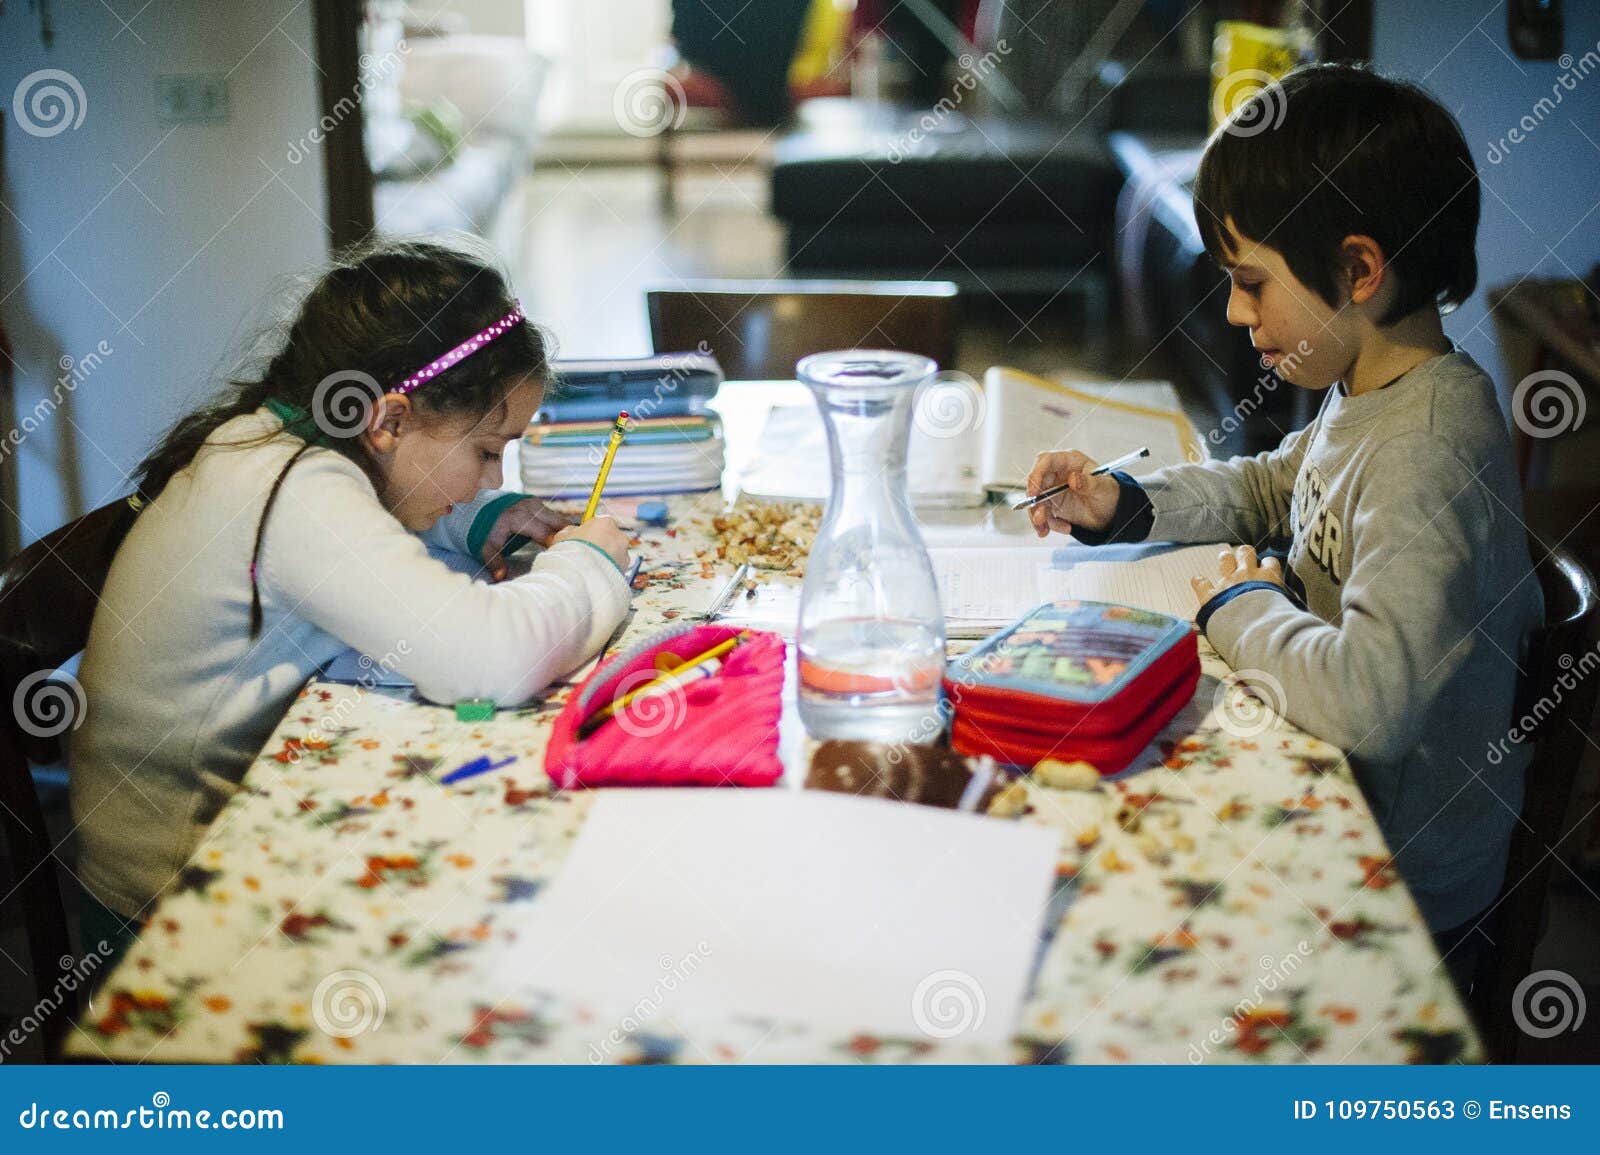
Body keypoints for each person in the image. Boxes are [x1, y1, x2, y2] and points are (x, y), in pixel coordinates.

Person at [1024, 64, 1542, 992]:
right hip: (1337, 789)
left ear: (1358, 270)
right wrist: (1123, 503)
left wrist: (1238, 604)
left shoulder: (1427, 449)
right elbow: (1274, 487)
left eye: (1252, 282)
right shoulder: (1372, 391)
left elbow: (1373, 699)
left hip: (1398, 886)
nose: (1233, 310)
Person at [71, 239, 631, 956]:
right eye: (488, 452)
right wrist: (589, 563)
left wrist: (475, 519)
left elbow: (370, 514)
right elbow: (490, 656)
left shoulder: (269, 439)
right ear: (389, 421)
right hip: (168, 909)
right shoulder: (297, 491)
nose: (494, 477)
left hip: (184, 857)